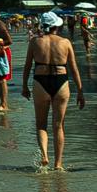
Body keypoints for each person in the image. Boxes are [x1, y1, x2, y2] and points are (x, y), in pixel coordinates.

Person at [22, 13, 85, 171]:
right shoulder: (65, 42)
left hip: (40, 82)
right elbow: (74, 67)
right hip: (61, 82)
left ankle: (44, 155)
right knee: (58, 126)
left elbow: (28, 66)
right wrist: (80, 90)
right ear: (57, 26)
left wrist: (24, 86)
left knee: (41, 125)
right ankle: (58, 164)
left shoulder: (35, 41)